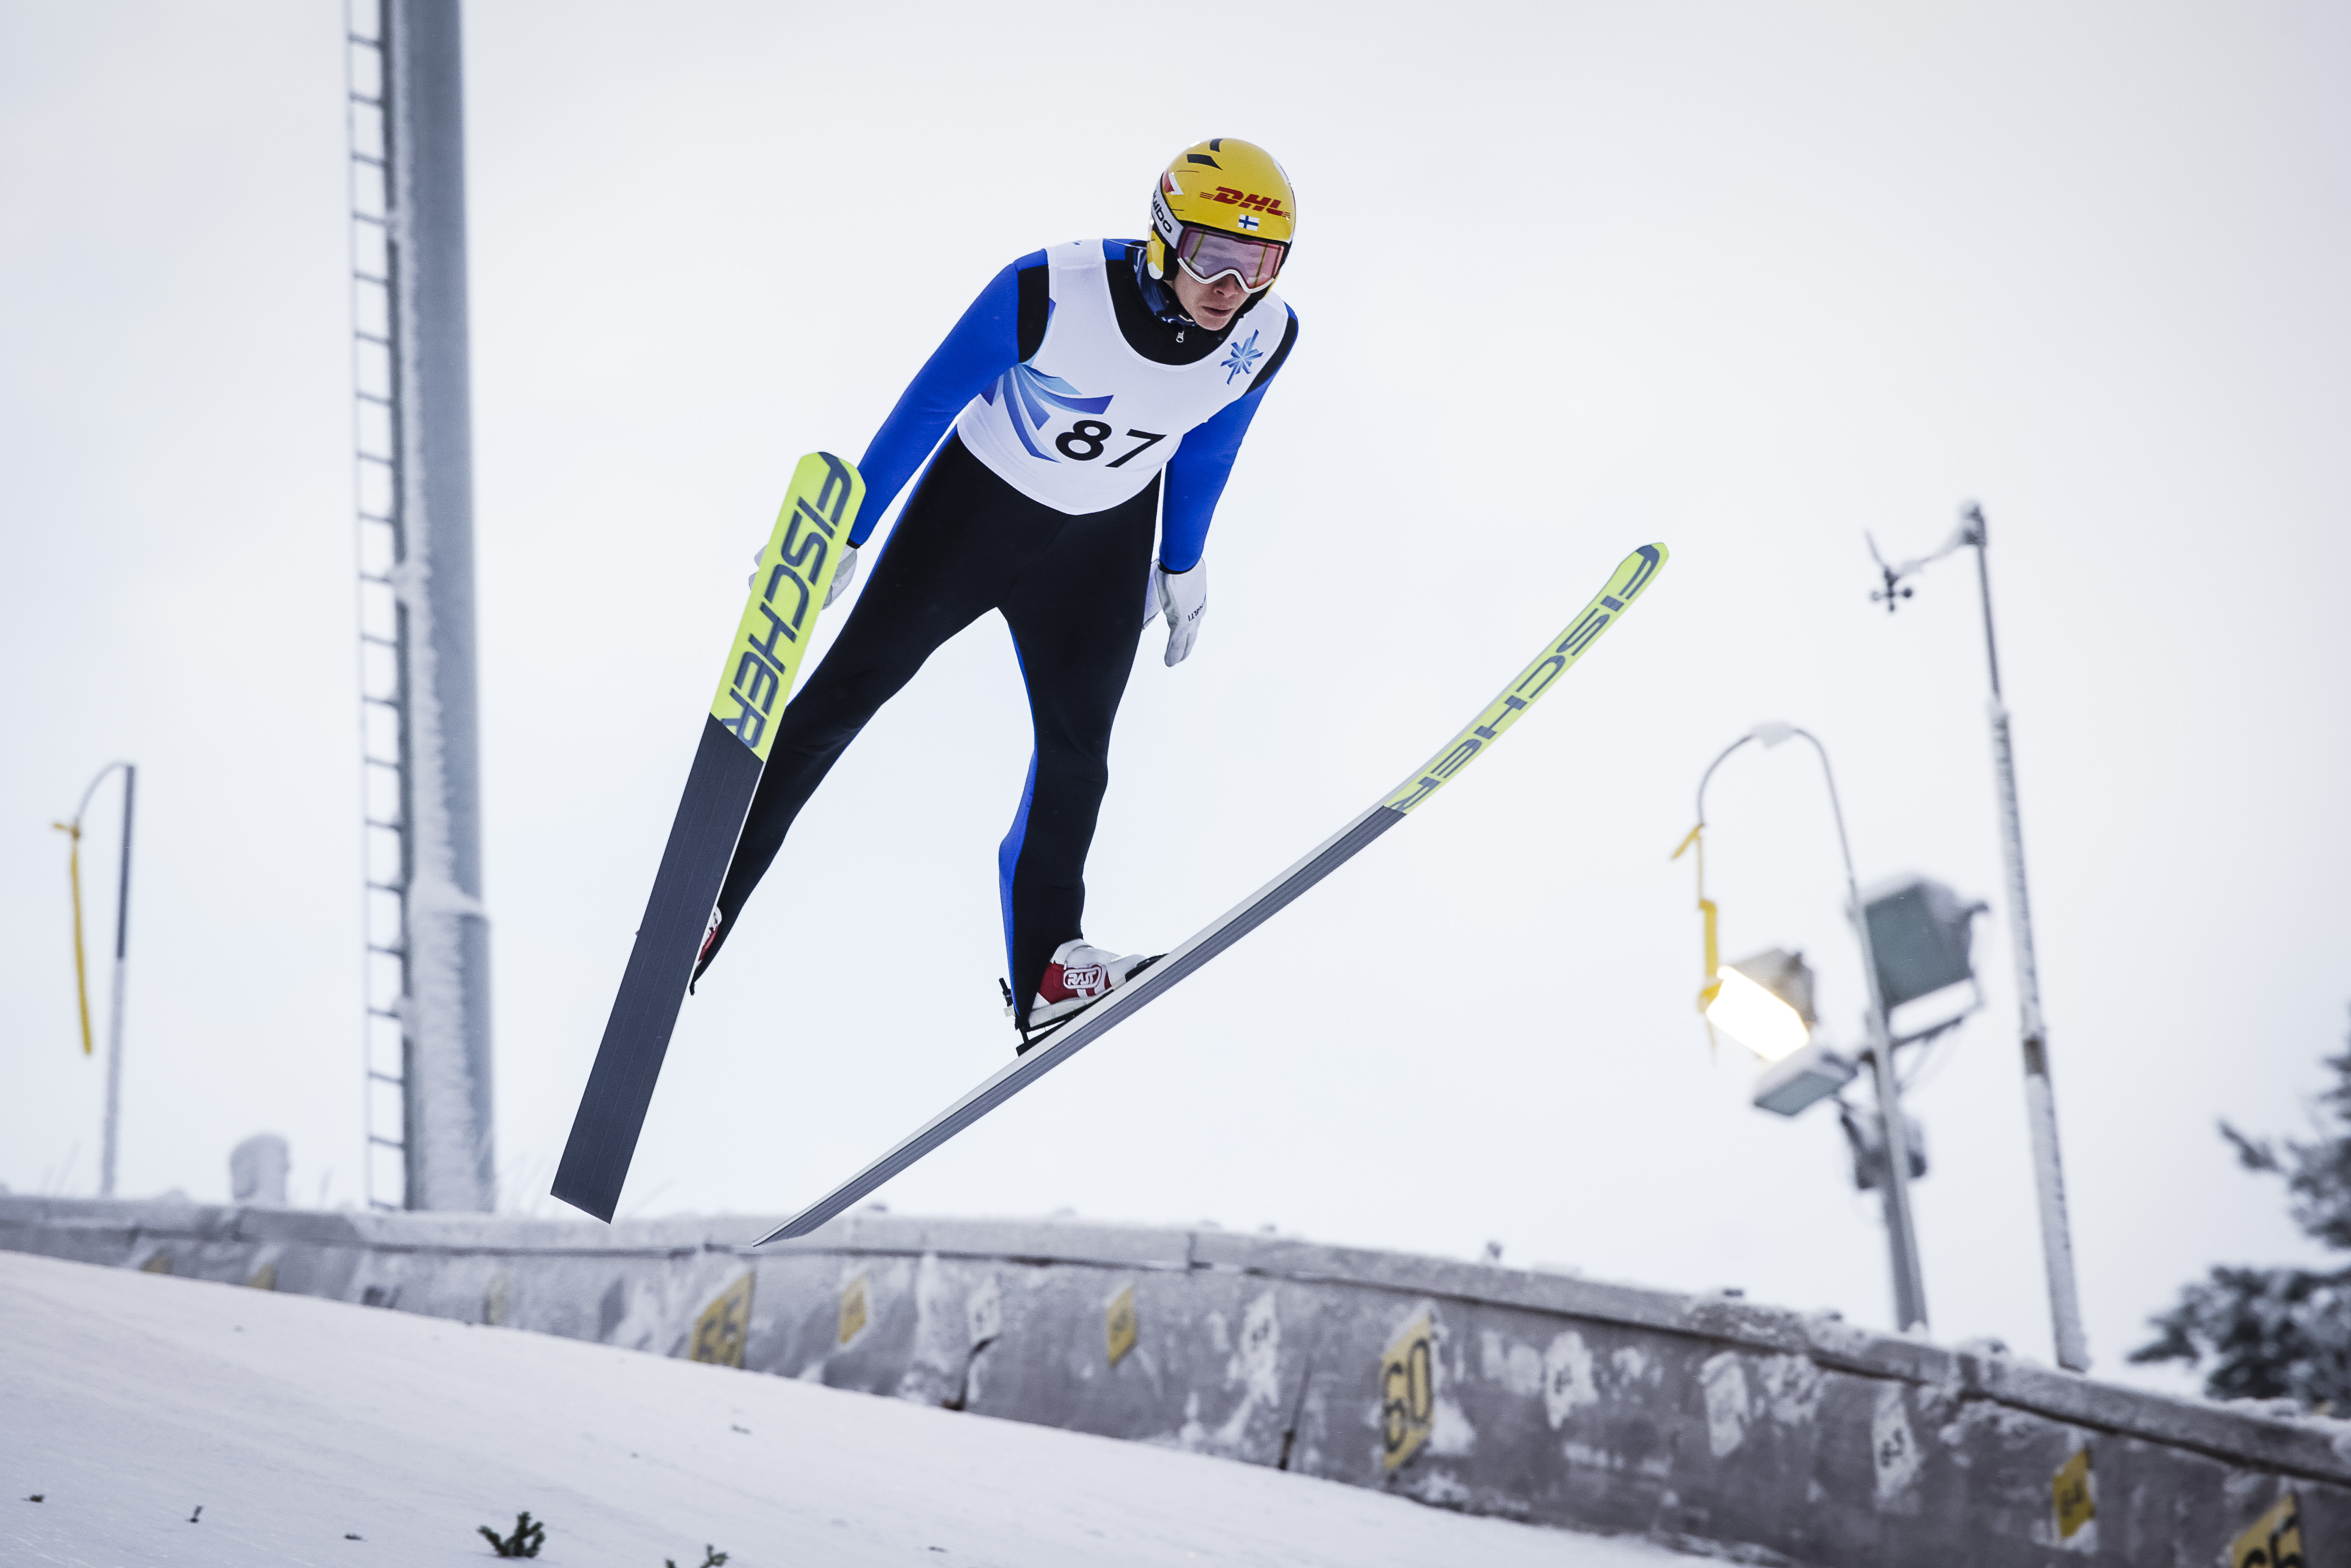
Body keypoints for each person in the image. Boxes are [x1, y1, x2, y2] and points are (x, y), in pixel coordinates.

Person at [693, 137, 1300, 1042]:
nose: (1234, 287)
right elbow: (932, 399)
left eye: (1262, 263)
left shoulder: (1266, 333)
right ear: (1166, 236)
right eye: (1216, 256)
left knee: (1078, 757)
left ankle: (1049, 968)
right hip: (974, 520)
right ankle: (708, 900)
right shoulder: (1049, 290)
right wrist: (847, 530)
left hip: (1100, 549)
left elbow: (1211, 444)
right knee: (842, 699)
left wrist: (1181, 559)